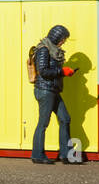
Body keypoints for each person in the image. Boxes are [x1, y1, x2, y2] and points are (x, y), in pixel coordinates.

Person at [31, 24, 79, 164]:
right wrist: (62, 72)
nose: (64, 41)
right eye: (63, 38)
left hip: (53, 89)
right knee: (43, 123)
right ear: (56, 36)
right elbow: (43, 71)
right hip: (45, 90)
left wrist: (64, 72)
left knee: (65, 118)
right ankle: (37, 155)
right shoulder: (43, 50)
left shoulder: (54, 51)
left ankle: (66, 154)